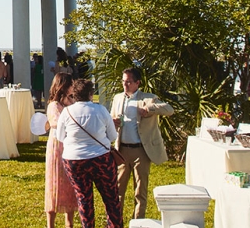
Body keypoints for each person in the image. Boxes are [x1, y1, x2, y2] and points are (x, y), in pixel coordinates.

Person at [55, 78, 123, 228]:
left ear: (74, 94)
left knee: (84, 199)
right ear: (91, 94)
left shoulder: (67, 112)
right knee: (111, 199)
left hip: (74, 160)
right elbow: (112, 136)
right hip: (101, 158)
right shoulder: (100, 110)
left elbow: (60, 137)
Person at [110, 68, 174, 220]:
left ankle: (138, 221)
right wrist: (113, 123)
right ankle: (115, 221)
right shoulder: (118, 98)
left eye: (129, 82)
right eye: (123, 81)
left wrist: (149, 109)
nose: (125, 84)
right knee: (118, 189)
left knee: (140, 190)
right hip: (122, 149)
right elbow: (111, 118)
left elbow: (169, 110)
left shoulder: (148, 98)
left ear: (137, 83)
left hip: (141, 150)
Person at [45, 73, 77, 228]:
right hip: (57, 147)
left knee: (70, 184)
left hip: (71, 146)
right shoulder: (54, 105)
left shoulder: (71, 102)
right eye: (71, 84)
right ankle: (50, 224)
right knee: (55, 183)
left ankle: (69, 223)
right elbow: (57, 124)